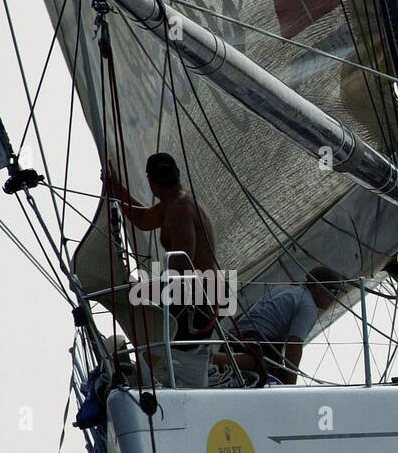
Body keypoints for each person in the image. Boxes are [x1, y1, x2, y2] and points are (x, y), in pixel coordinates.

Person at [108, 152, 218, 387]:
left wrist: (140, 290)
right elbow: (144, 219)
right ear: (177, 175)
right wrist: (115, 187)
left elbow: (180, 272)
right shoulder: (177, 202)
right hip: (200, 298)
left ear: (151, 182)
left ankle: (155, 384)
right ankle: (158, 377)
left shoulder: (179, 209)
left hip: (196, 306)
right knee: (138, 298)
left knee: (132, 299)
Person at [212, 266, 340, 385]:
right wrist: (291, 386)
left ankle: (219, 360)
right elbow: (294, 345)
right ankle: (210, 358)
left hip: (232, 339)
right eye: (334, 292)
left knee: (276, 365)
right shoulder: (308, 306)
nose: (335, 297)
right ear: (318, 288)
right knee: (269, 368)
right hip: (254, 342)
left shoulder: (284, 289)